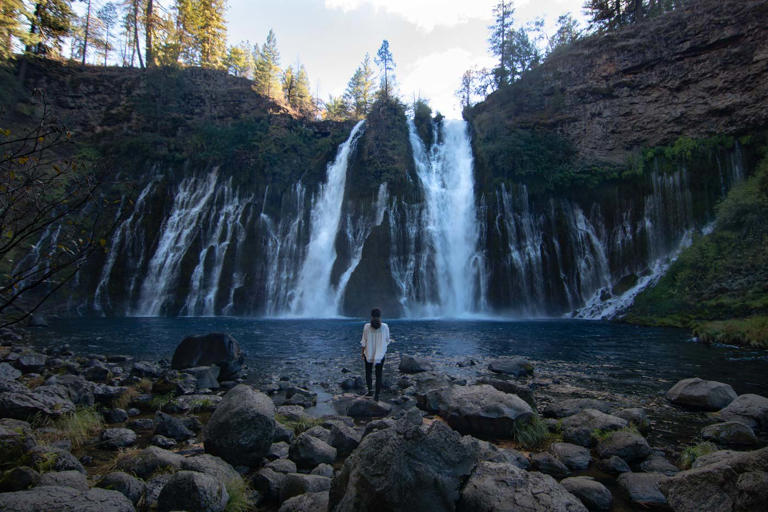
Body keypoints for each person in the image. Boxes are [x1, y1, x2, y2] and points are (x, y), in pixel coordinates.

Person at [360, 307, 391, 401]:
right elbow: (387, 340)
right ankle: (377, 396)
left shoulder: (366, 326)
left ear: (371, 316)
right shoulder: (385, 327)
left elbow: (363, 342)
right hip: (380, 355)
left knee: (368, 373)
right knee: (379, 375)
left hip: (368, 353)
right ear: (380, 316)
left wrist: (362, 353)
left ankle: (370, 391)